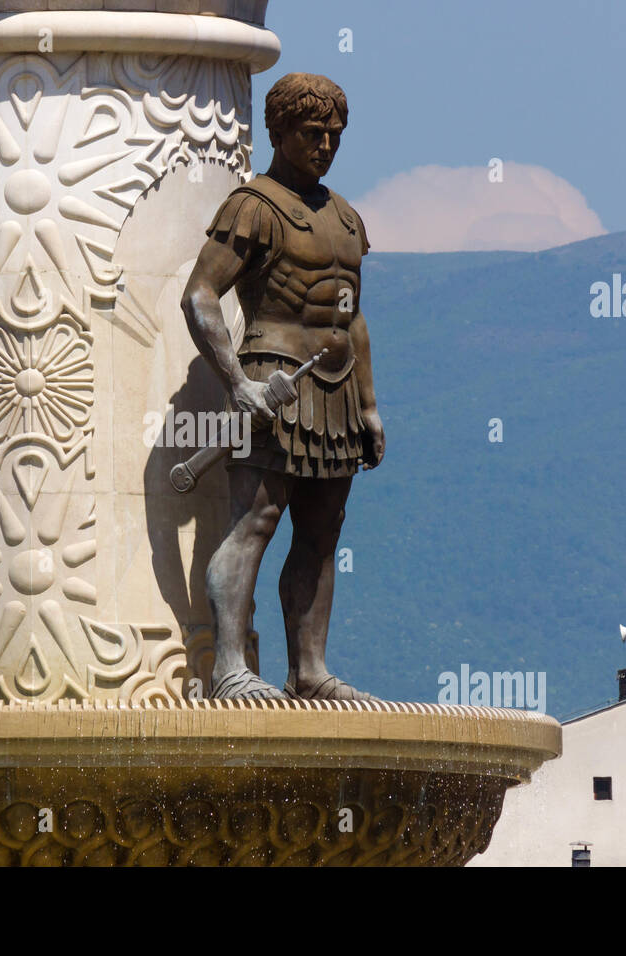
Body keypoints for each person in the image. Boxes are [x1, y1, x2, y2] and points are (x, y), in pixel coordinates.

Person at [180, 73, 384, 701]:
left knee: (324, 532)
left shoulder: (347, 218)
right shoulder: (253, 206)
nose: (325, 145)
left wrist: (371, 405)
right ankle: (230, 668)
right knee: (255, 520)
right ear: (279, 131)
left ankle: (310, 669)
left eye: (334, 135)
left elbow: (352, 317)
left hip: (340, 390)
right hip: (273, 380)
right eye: (312, 133)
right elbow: (199, 295)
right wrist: (235, 382)